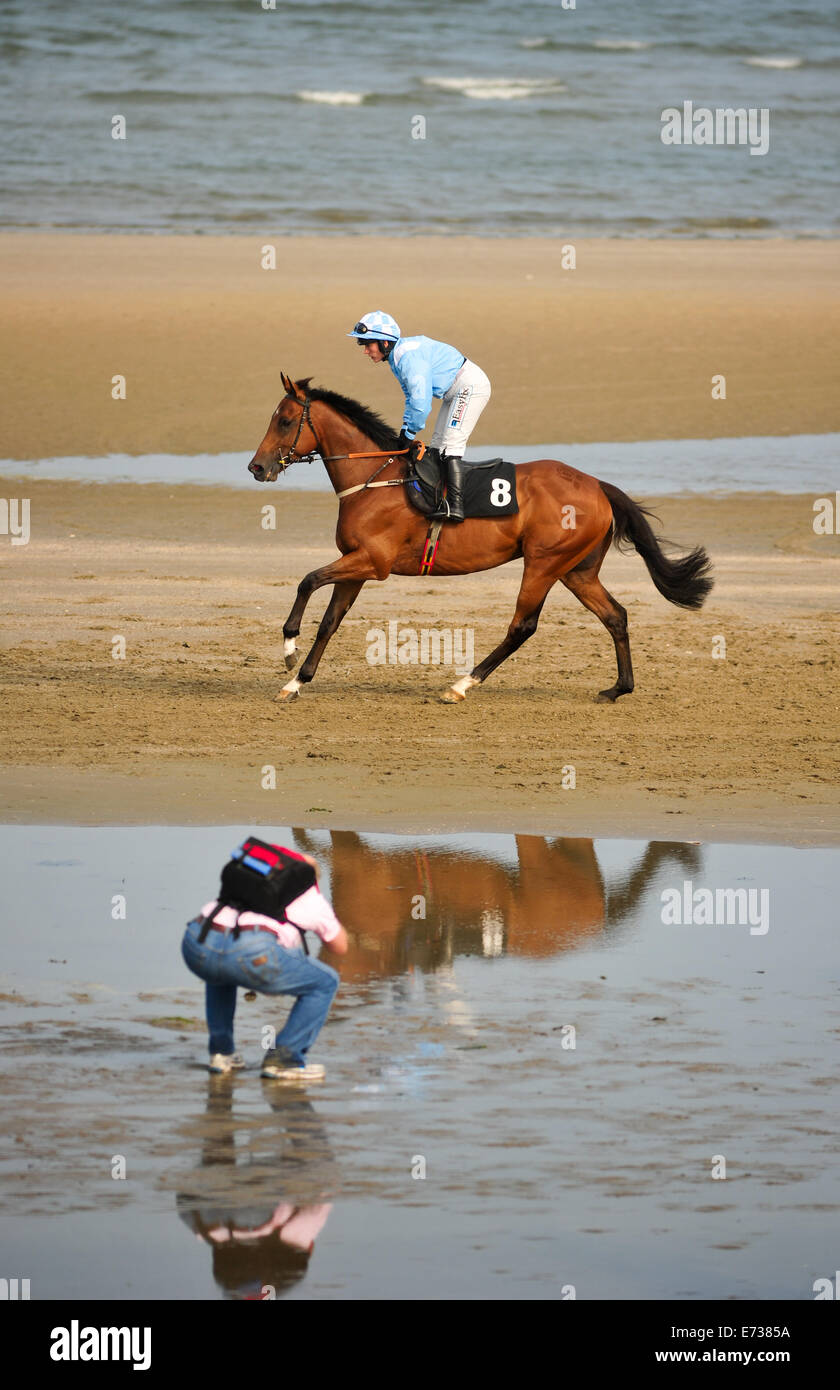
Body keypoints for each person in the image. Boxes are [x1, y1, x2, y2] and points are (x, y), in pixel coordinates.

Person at [182, 850, 348, 1082]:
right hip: (251, 953)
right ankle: (285, 1059)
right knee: (326, 981)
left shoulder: (249, 882)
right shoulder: (311, 897)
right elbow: (339, 947)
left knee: (221, 969)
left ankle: (222, 1053)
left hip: (197, 942)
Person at [348, 310, 492, 523]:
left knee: (451, 445)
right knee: (437, 445)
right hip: (454, 391)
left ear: (385, 343)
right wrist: (407, 429)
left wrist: (408, 432)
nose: (365, 351)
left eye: (368, 344)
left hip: (469, 386)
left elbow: (420, 403)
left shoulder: (408, 358)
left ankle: (456, 507)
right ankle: (438, 498)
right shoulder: (396, 358)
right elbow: (411, 398)